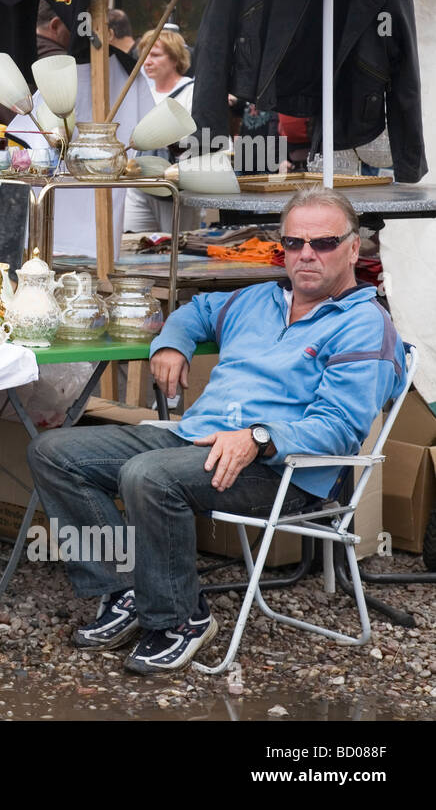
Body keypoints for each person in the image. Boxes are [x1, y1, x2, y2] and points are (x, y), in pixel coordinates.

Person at [27, 187, 405, 674]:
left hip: (282, 470)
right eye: (293, 243)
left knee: (149, 475)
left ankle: (180, 617)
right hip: (197, 438)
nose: (307, 254)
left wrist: (260, 438)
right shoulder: (260, 300)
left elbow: (340, 428)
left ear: (354, 248)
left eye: (324, 242)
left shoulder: (364, 325)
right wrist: (173, 343)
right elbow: (194, 311)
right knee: (53, 451)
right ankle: (123, 590)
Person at [124, 29, 199, 234]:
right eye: (144, 55)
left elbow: (195, 140)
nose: (147, 61)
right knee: (133, 244)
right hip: (137, 183)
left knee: (176, 244)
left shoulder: (192, 92)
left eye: (155, 55)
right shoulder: (138, 91)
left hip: (175, 187)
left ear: (175, 58)